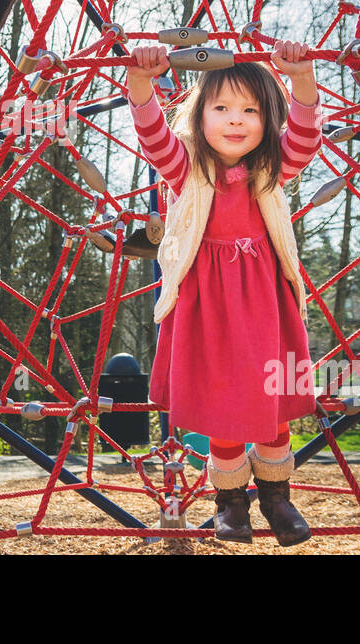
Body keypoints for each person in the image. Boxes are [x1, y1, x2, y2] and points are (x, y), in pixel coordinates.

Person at [126, 39, 322, 545]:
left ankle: (276, 496)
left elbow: (303, 136)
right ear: (200, 115)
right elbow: (151, 134)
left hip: (263, 304)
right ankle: (231, 502)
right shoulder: (187, 169)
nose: (236, 120)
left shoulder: (269, 169)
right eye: (222, 108)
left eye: (251, 110)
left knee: (271, 401)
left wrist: (300, 78)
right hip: (207, 305)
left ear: (267, 120)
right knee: (223, 405)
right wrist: (143, 80)